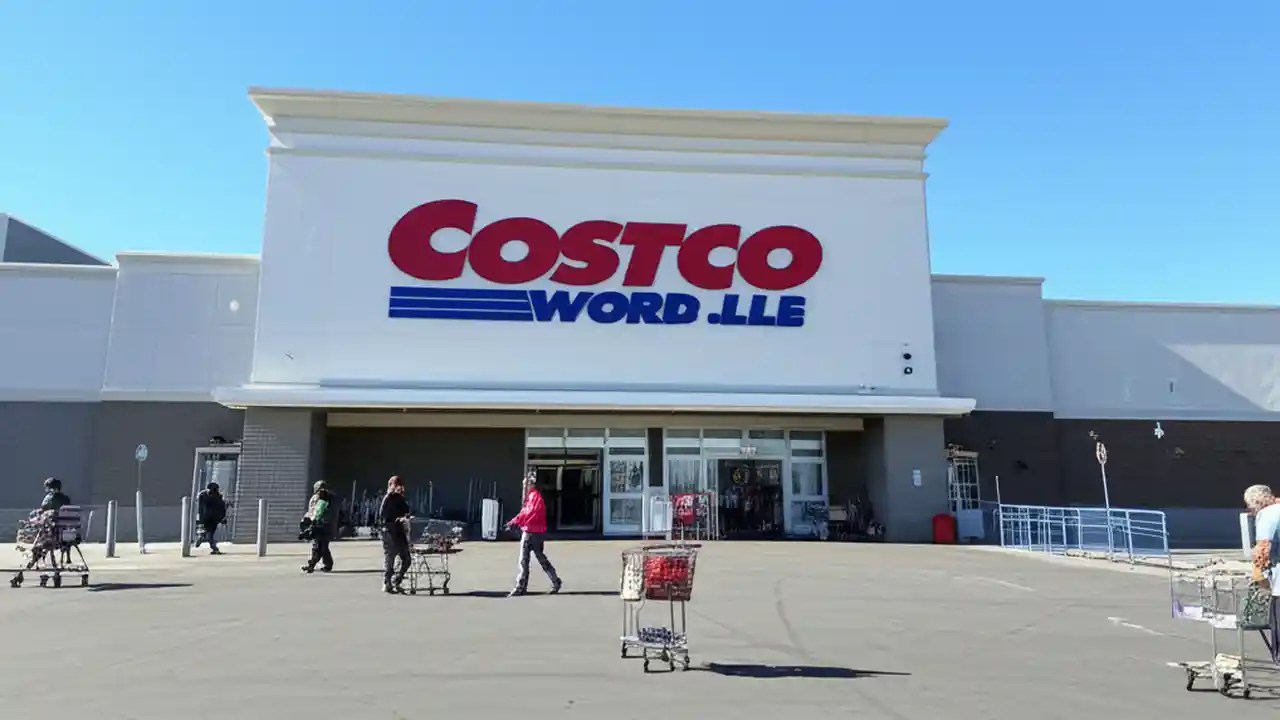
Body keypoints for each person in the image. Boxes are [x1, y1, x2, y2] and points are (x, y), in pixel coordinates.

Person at [506, 470, 562, 597]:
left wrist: (517, 522)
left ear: (531, 485)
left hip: (531, 532)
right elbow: (525, 512)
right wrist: (514, 521)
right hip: (536, 533)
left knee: (524, 560)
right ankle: (555, 580)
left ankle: (521, 586)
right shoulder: (533, 497)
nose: (524, 487)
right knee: (540, 558)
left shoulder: (534, 497)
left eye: (526, 485)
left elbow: (528, 513)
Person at [1245, 484, 1280, 663]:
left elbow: (1262, 550)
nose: (1250, 512)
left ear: (1257, 502)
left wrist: (1260, 579)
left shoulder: (1267, 515)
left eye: (1250, 507)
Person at [379, 476, 413, 594]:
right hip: (389, 532)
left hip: (399, 532)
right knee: (390, 557)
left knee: (407, 559)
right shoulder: (387, 498)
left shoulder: (401, 499)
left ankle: (396, 579)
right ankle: (387, 582)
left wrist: (405, 518)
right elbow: (382, 514)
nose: (397, 488)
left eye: (398, 485)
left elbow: (407, 512)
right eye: (394, 485)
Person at [301, 481, 338, 573]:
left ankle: (312, 565)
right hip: (318, 524)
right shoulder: (316, 498)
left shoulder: (328, 498)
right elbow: (312, 510)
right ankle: (327, 564)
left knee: (319, 546)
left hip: (323, 525)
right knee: (322, 546)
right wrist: (306, 519)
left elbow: (325, 512)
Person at [195, 481, 227, 555]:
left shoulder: (203, 495)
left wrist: (200, 518)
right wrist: (222, 517)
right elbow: (222, 507)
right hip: (214, 517)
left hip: (206, 517)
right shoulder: (218, 496)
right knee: (211, 533)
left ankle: (203, 538)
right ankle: (213, 547)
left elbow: (200, 508)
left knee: (209, 532)